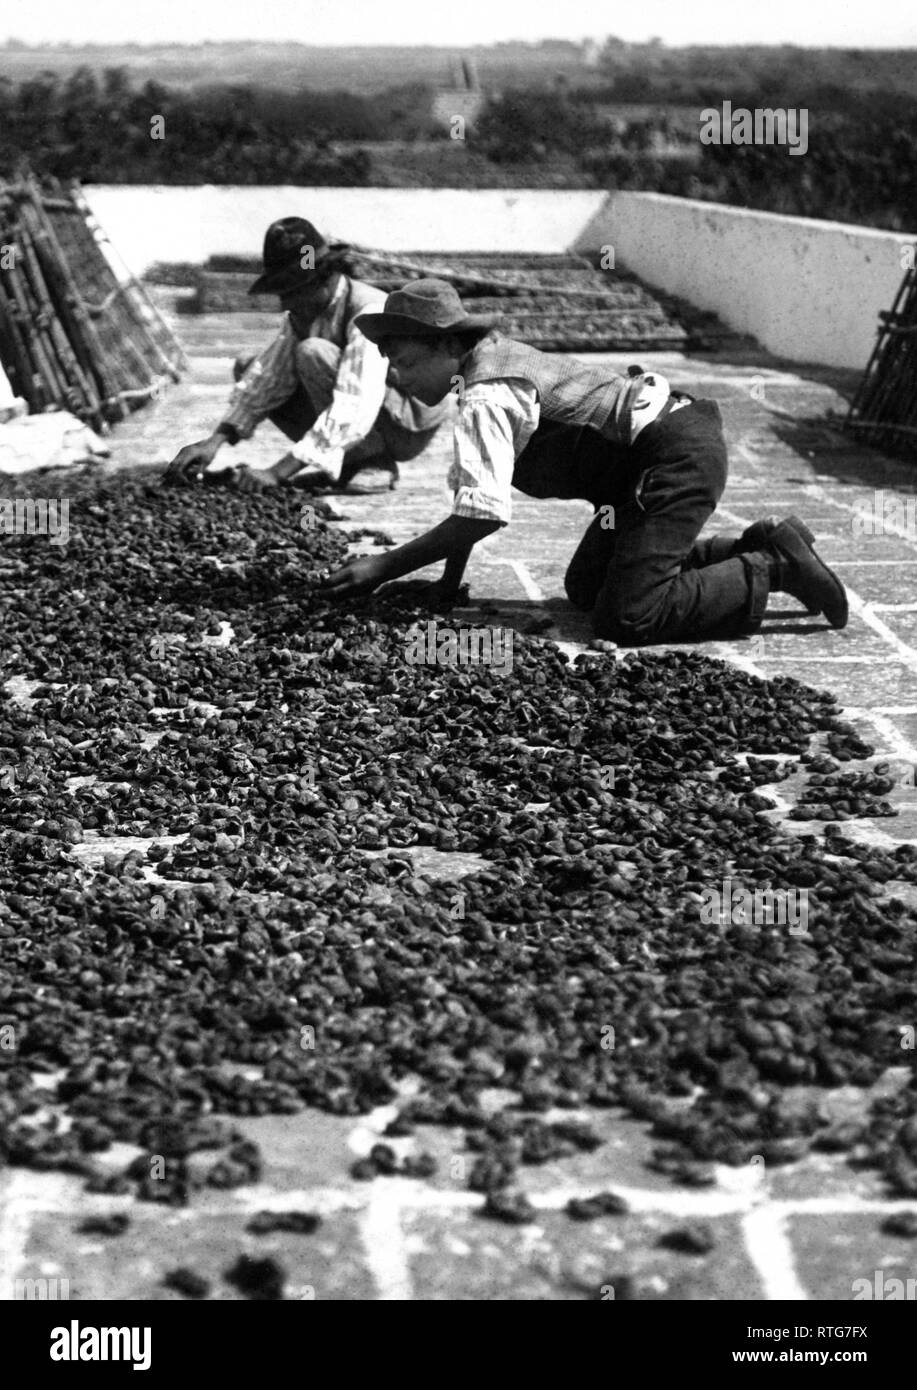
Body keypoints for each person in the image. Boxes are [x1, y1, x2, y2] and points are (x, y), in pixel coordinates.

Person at [321, 278, 848, 644]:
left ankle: (774, 567)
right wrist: (444, 583)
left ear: (447, 349)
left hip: (674, 457)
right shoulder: (480, 374)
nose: (397, 377)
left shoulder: (486, 395)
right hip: (640, 473)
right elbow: (472, 498)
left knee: (629, 616)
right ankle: (752, 544)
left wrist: (387, 566)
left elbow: (481, 515)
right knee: (586, 590)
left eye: (407, 362)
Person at [164, 218, 453, 493]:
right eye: (283, 293)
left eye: (294, 291)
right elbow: (268, 377)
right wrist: (215, 441)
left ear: (325, 279)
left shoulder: (369, 310)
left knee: (313, 353)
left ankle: (374, 462)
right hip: (371, 413)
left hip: (407, 422)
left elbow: (356, 404)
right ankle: (344, 462)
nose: (286, 303)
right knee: (249, 366)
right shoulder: (304, 313)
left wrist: (276, 473)